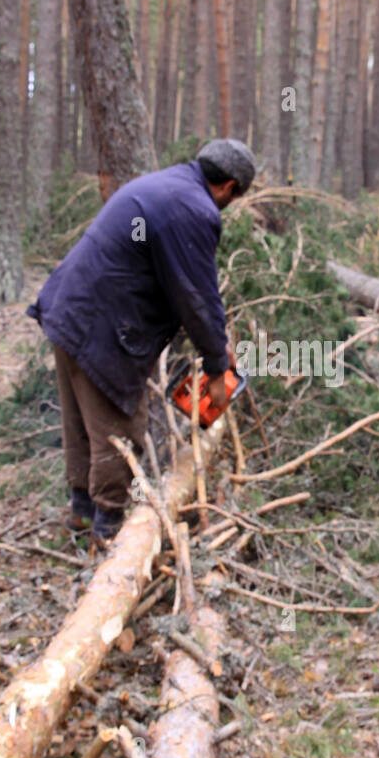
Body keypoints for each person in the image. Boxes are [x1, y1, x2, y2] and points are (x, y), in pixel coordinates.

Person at [27, 138, 256, 543]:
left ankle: (82, 513)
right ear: (229, 186)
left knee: (81, 423)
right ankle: (111, 535)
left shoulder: (166, 185)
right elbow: (197, 297)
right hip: (100, 326)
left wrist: (217, 345)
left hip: (68, 307)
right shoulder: (195, 209)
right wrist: (218, 370)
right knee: (120, 433)